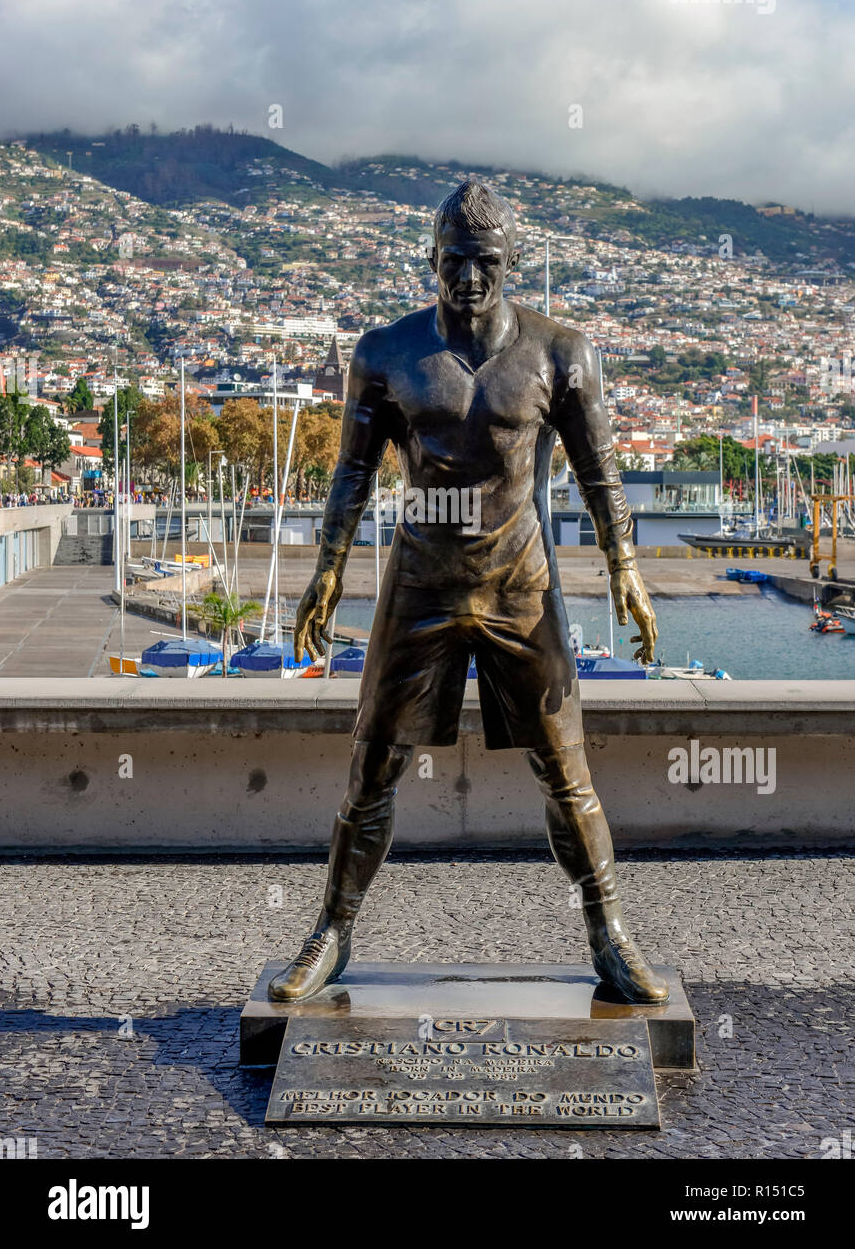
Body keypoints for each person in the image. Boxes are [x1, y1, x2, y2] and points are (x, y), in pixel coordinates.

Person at [270, 181, 667, 1007]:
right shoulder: (385, 353)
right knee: (372, 768)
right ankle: (332, 932)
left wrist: (624, 565)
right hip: (419, 583)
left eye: (485, 262)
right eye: (453, 261)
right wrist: (327, 567)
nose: (469, 277)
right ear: (430, 262)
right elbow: (350, 471)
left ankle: (610, 936)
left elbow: (601, 472)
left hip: (521, 586)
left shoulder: (562, 351)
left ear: (511, 264)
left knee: (565, 772)